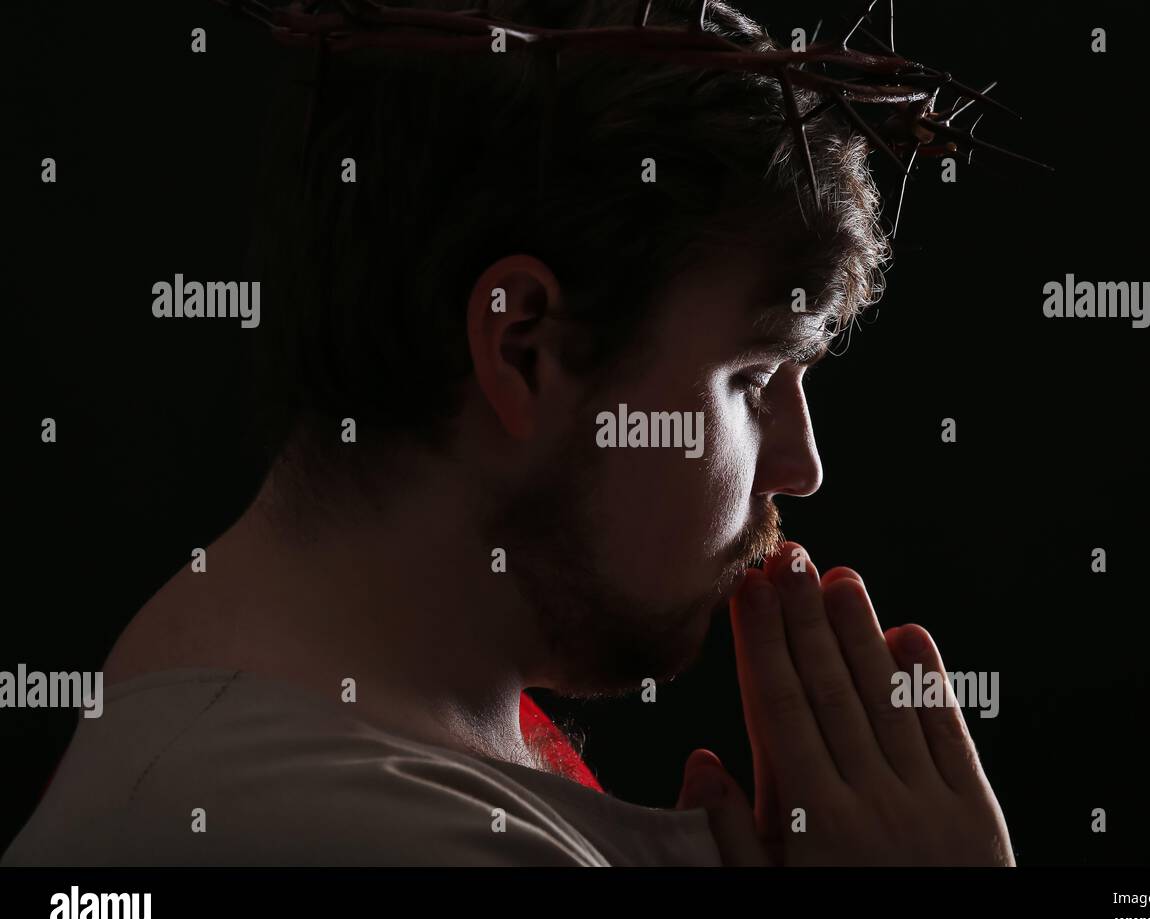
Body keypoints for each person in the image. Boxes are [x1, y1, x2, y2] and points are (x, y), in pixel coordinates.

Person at [3, 0, 1012, 866]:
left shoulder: (386, 717)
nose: (801, 462)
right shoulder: (332, 837)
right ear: (523, 344)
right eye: (751, 375)